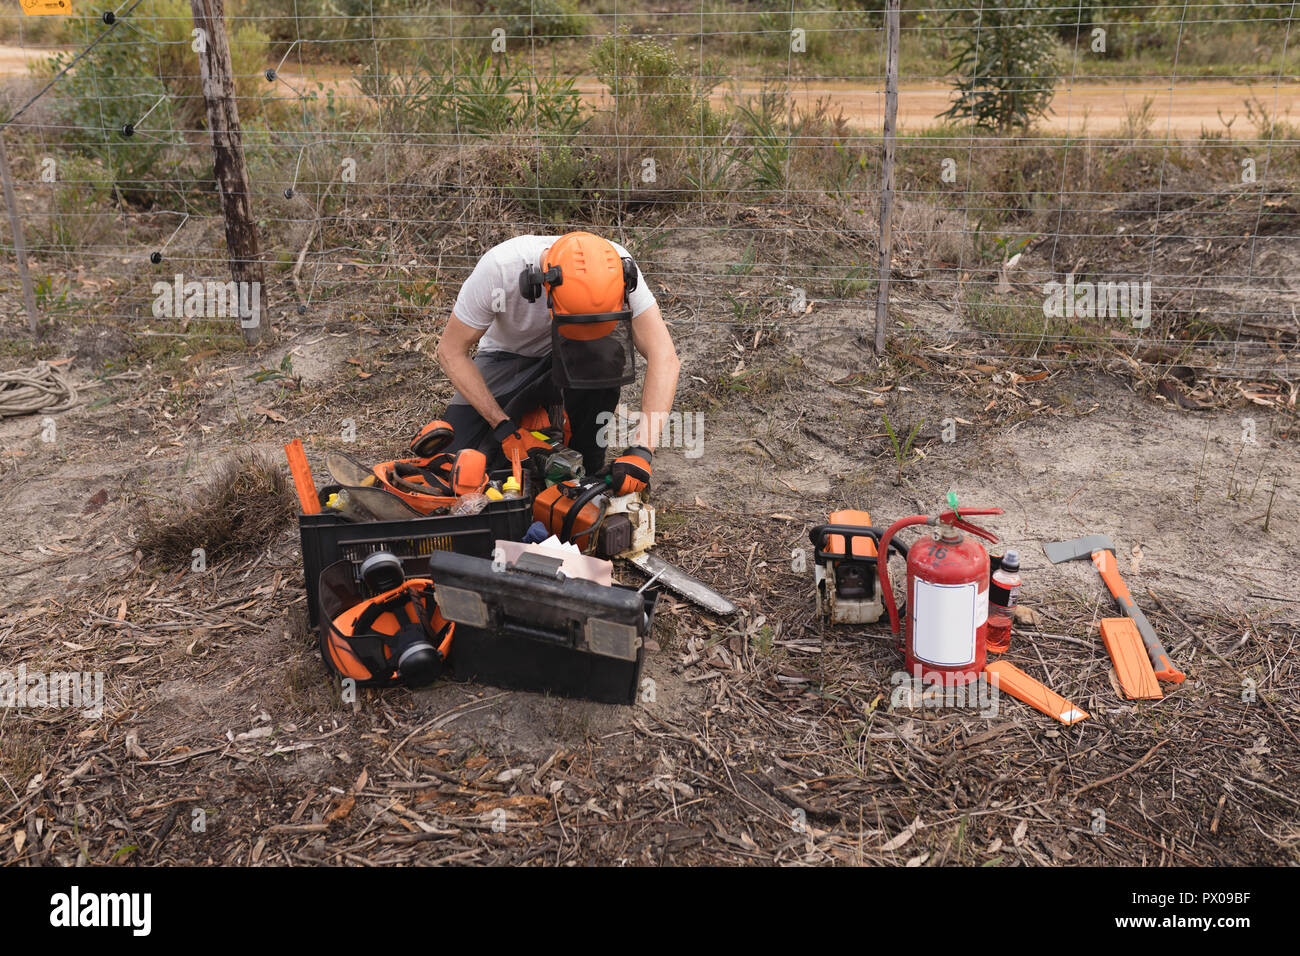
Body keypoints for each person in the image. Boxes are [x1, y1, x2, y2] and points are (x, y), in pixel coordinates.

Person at [424, 232, 680, 496]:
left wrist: (641, 450)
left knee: (606, 354)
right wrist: (502, 426)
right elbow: (451, 351)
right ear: (543, 288)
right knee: (458, 462)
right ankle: (529, 420)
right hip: (509, 357)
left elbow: (665, 357)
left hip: (581, 358)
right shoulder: (500, 270)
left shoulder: (619, 269)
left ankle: (587, 459)